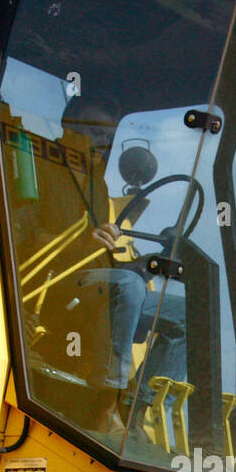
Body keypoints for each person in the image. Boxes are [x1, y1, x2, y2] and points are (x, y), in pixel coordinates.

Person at [25, 96, 186, 436]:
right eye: (94, 130)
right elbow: (18, 235)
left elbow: (99, 249)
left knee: (188, 311)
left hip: (92, 282)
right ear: (69, 124)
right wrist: (83, 244)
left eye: (107, 134)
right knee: (127, 287)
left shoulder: (96, 178)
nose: (101, 141)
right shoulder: (37, 162)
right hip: (49, 284)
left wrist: (135, 264)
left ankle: (140, 406)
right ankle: (106, 399)